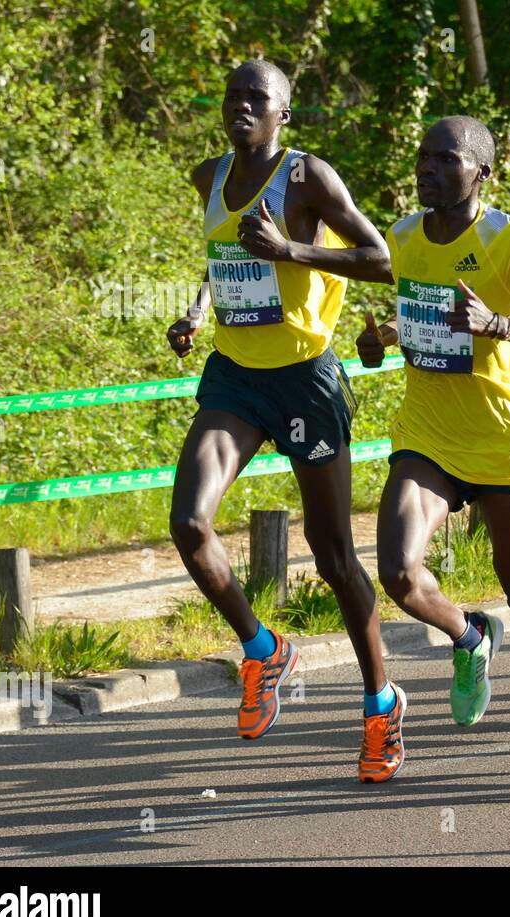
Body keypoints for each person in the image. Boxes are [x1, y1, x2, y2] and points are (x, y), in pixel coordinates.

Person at [165, 60, 404, 783]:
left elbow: (381, 257)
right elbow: (224, 256)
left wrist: (293, 249)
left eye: (257, 99)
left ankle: (380, 701)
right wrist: (198, 312)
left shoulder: (307, 180)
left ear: (282, 116)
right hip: (236, 378)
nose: (242, 106)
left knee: (332, 556)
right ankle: (263, 648)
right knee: (188, 522)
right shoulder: (208, 176)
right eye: (233, 95)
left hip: (305, 378)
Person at [362, 116, 510, 801]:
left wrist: (501, 325)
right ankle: (468, 637)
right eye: (423, 157)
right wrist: (382, 342)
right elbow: (422, 325)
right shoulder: (404, 238)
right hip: (427, 435)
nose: (427, 168)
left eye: (446, 159)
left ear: (481, 174)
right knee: (398, 571)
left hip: (499, 442)